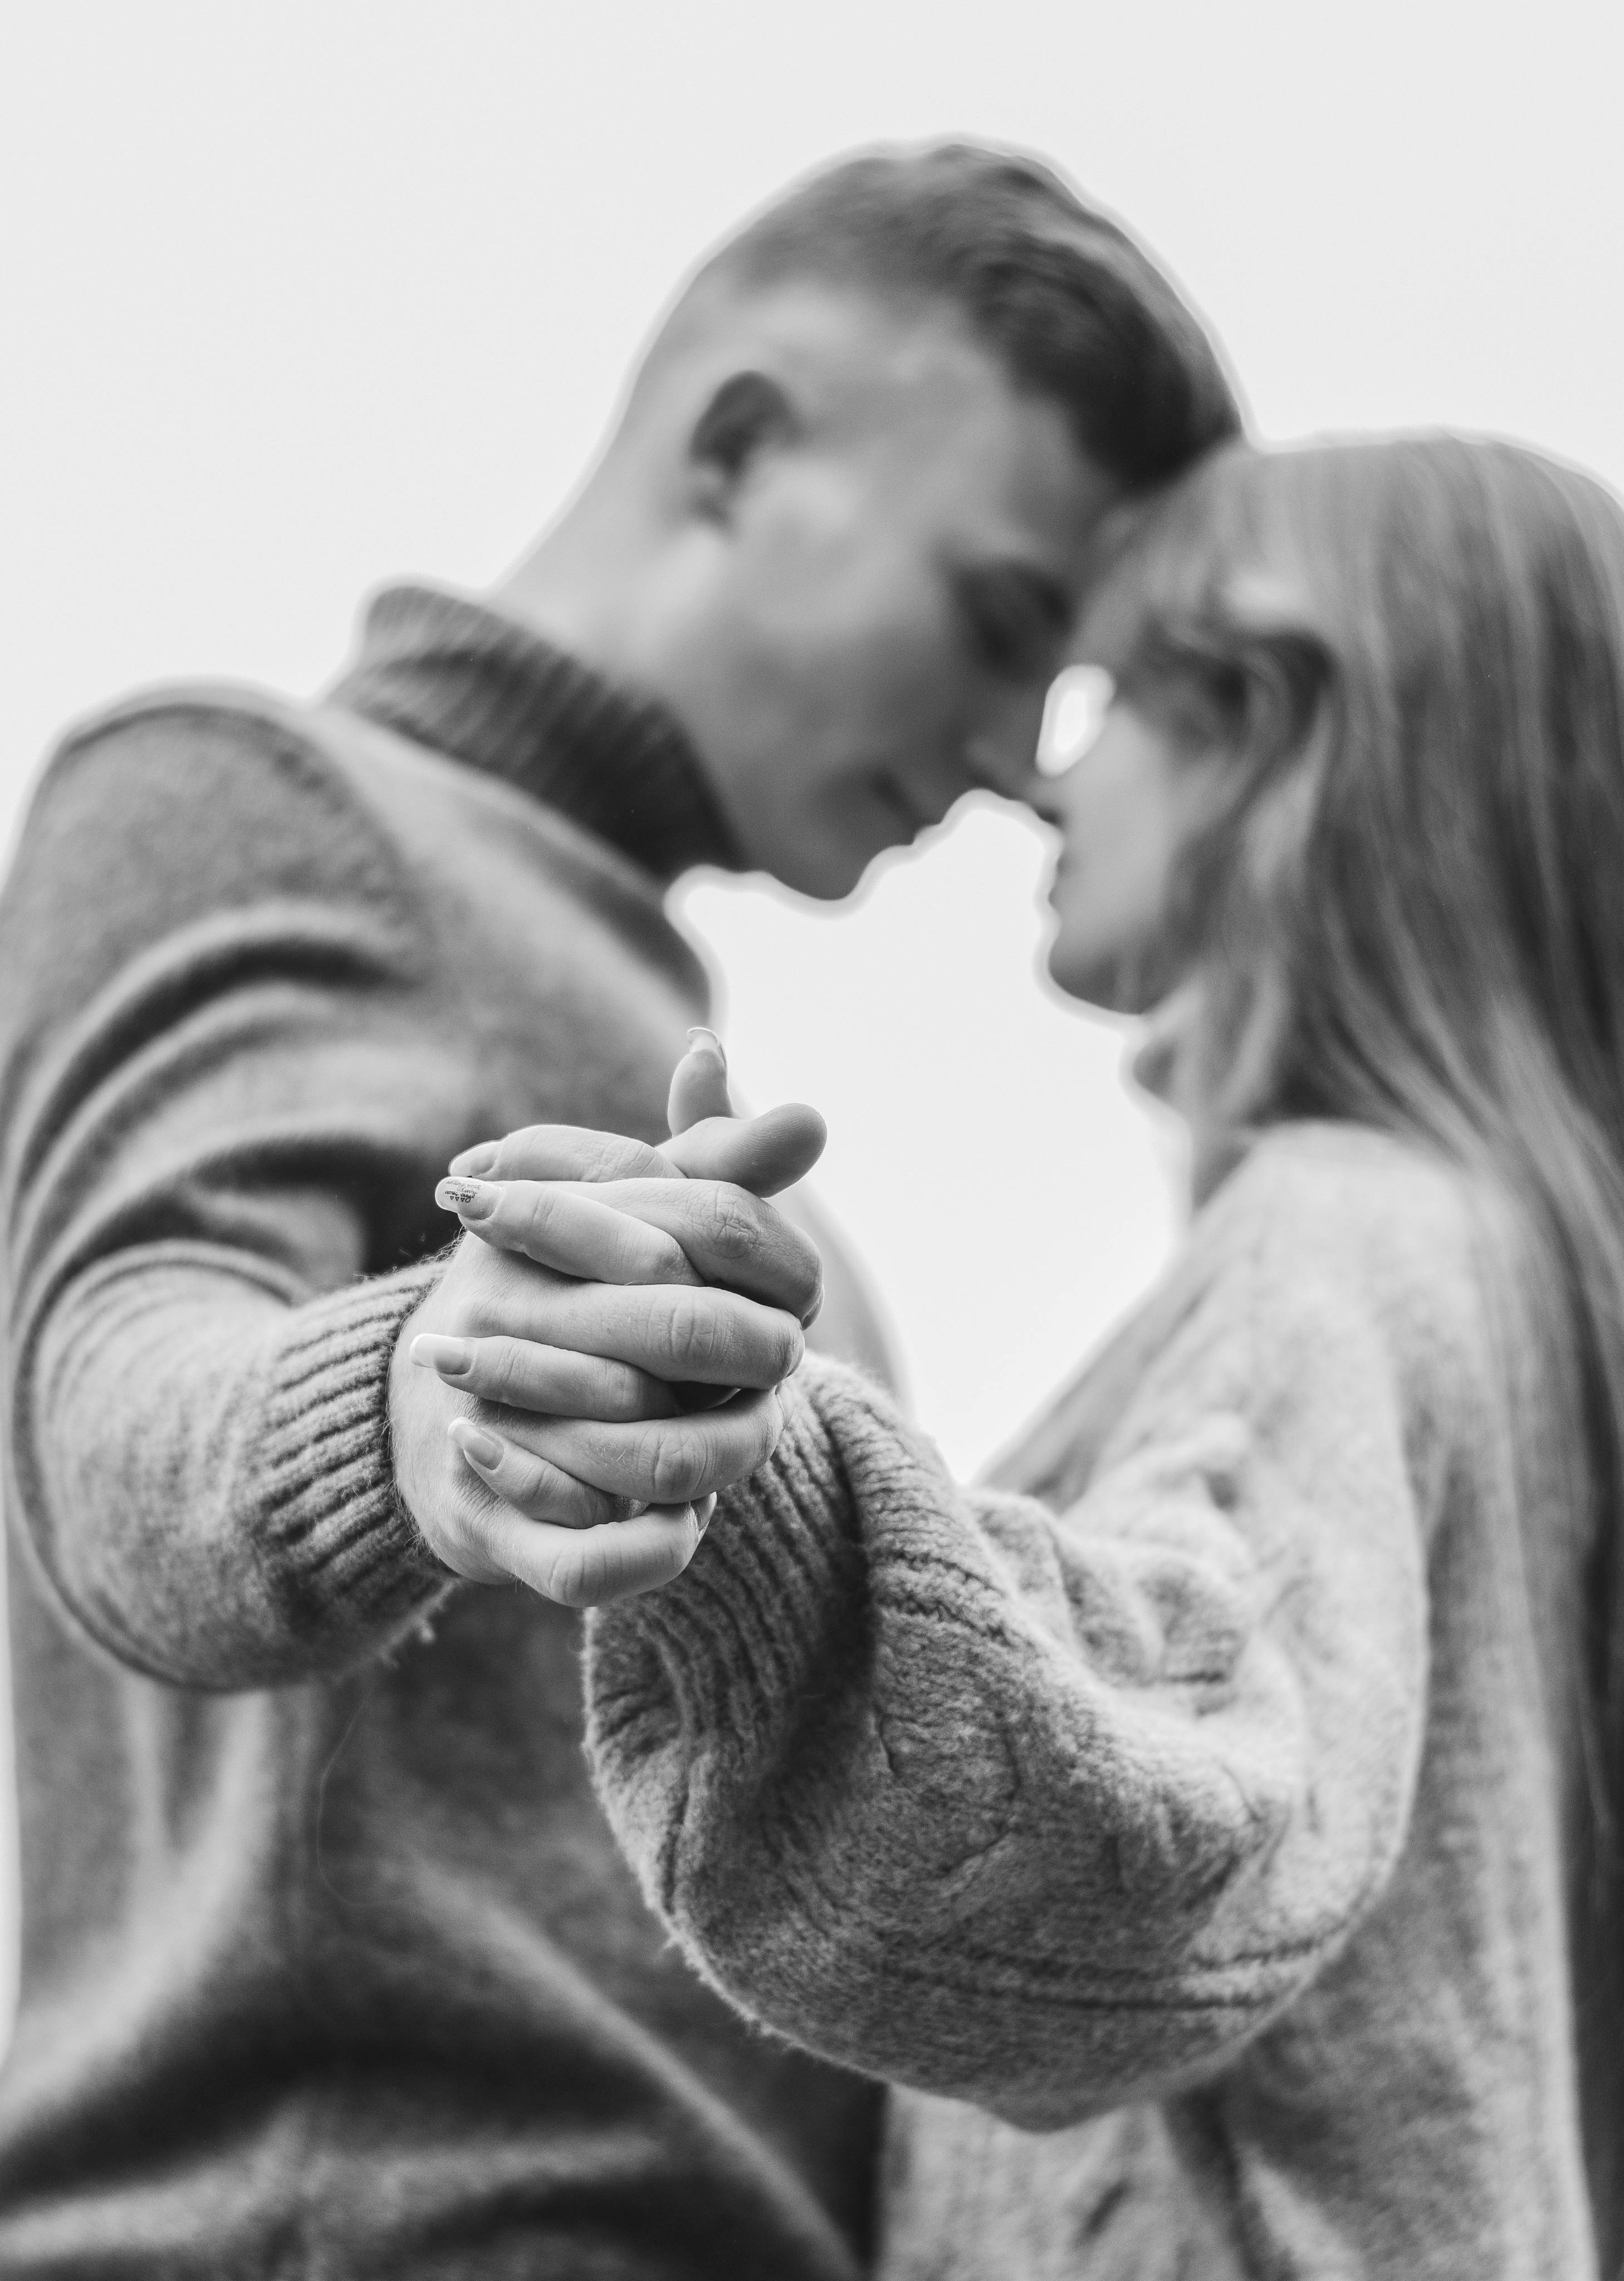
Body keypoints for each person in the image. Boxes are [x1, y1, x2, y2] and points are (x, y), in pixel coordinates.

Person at [0, 145, 1238, 2277]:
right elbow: (109, 1385)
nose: (1026, 760)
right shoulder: (252, 794)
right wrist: (410, 1404)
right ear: (741, 447)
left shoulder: (632, 1015)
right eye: (1003, 623)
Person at [440, 433, 1624, 2275]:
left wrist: (740, 1465)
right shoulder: (1488, 1263)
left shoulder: (1344, 1239)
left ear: (1281, 748)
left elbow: (1176, 1793)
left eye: (1117, 695)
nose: (1040, 779)